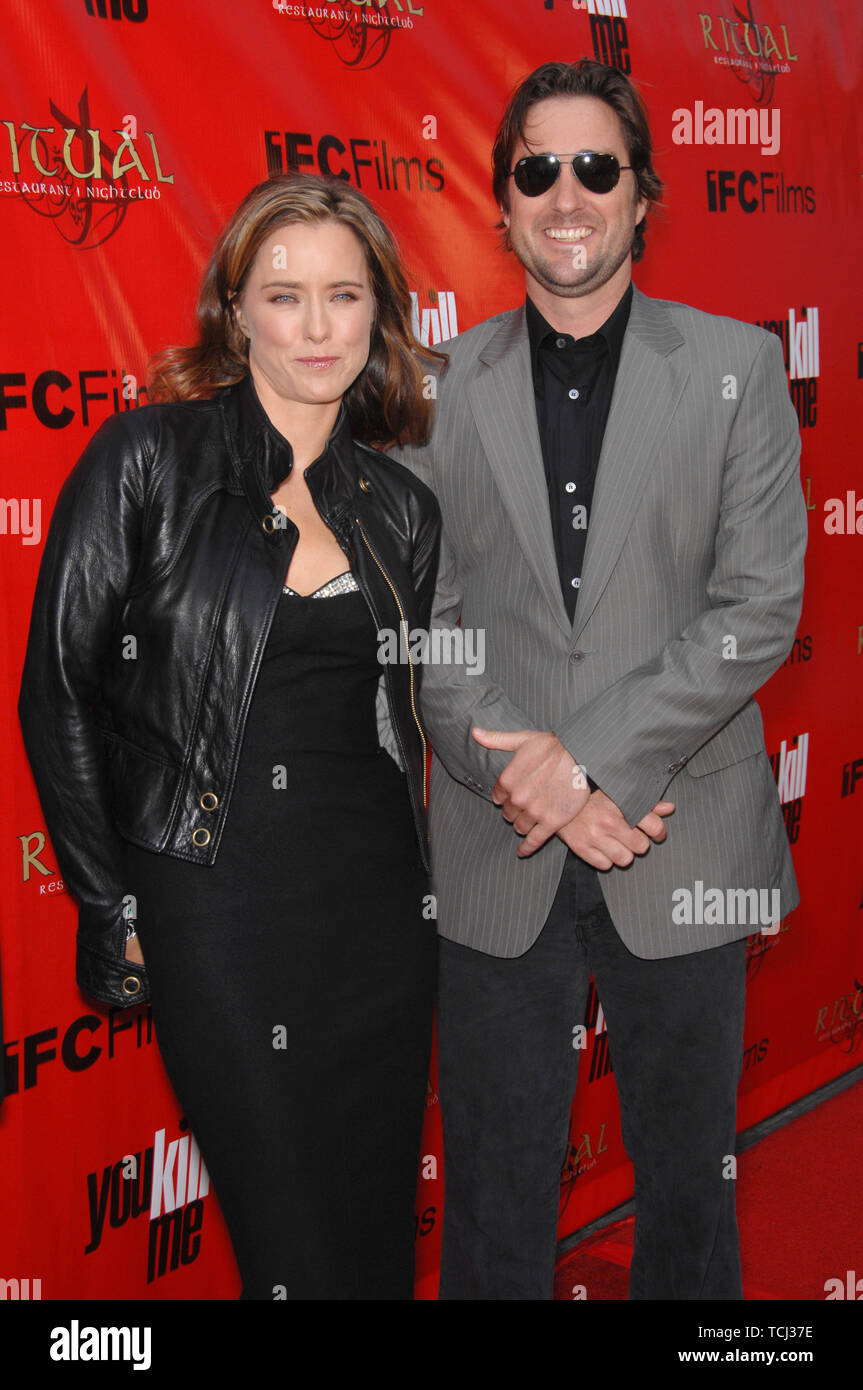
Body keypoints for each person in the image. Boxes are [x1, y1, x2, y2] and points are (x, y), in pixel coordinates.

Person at [391, 59, 806, 1300]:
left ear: (639, 196)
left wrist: (592, 764)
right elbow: (428, 628)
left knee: (689, 1188)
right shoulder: (434, 391)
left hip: (678, 825)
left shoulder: (737, 368)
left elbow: (757, 608)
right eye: (536, 169)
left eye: (593, 167)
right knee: (492, 1195)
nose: (563, 193)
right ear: (503, 202)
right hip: (491, 836)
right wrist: (535, 776)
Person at [18, 173, 444, 1300]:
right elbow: (55, 690)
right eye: (283, 295)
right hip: (217, 905)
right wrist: (112, 906)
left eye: (343, 296)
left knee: (370, 1238)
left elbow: (404, 718)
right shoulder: (148, 461)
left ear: (378, 314)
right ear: (236, 312)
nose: (315, 328)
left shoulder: (400, 508)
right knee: (291, 1248)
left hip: (376, 906)